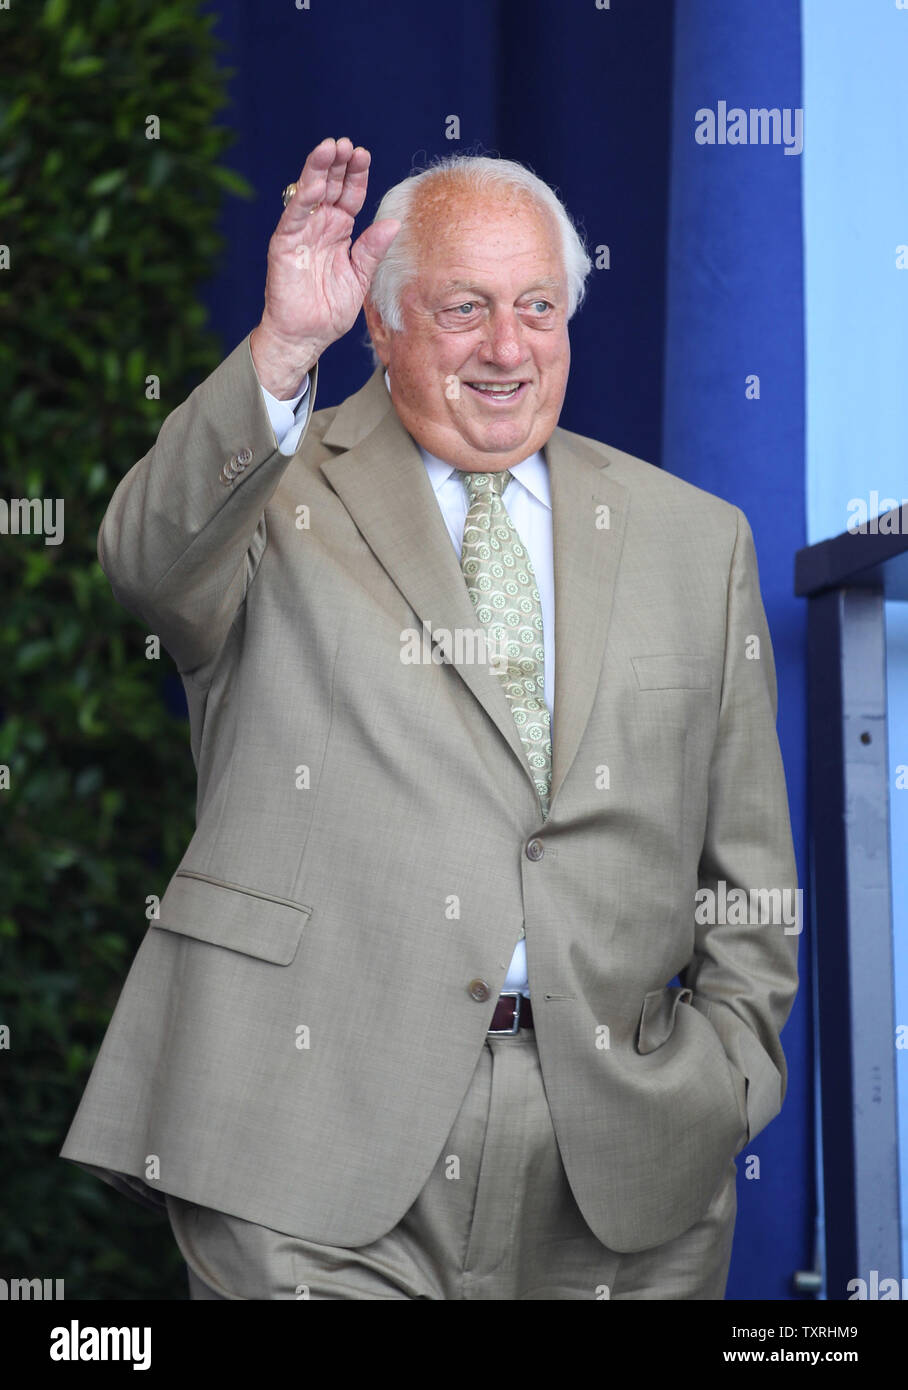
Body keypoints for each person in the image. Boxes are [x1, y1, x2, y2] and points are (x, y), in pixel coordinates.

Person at [60, 136, 799, 1300]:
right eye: (464, 308)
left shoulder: (695, 538)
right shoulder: (273, 487)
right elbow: (146, 563)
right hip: (307, 1135)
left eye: (536, 307)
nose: (506, 347)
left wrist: (728, 1074)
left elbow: (746, 865)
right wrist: (282, 347)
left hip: (620, 1163)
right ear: (382, 323)